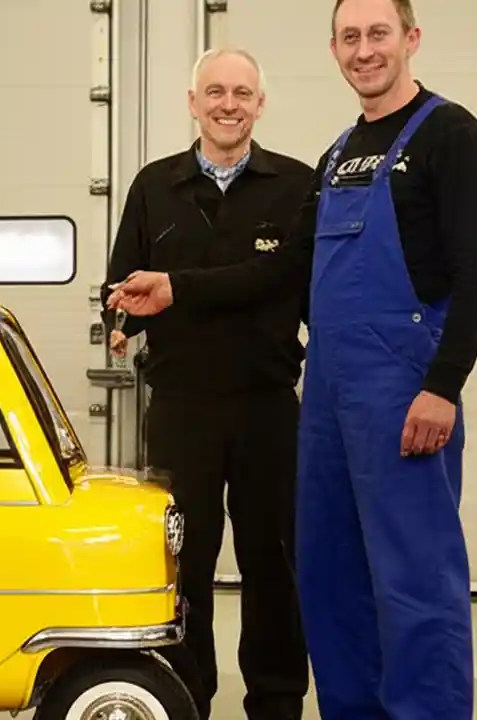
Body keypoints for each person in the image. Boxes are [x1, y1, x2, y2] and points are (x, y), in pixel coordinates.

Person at [107, 1, 477, 718]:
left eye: (378, 34)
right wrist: (172, 292)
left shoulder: (450, 135)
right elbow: (285, 268)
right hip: (326, 398)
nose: (364, 50)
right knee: (329, 573)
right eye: (350, 37)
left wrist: (443, 385)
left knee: (413, 576)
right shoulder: (340, 153)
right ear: (334, 49)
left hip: (402, 391)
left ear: (410, 39)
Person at [100, 47, 312, 720]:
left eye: (242, 93)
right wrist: (120, 320)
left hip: (267, 410)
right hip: (181, 408)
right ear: (192, 103)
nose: (228, 103)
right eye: (215, 91)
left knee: (273, 564)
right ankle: (186, 697)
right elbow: (119, 282)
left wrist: (175, 292)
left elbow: (286, 282)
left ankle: (276, 703)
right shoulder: (153, 186)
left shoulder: (298, 188)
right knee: (182, 567)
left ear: (260, 104)